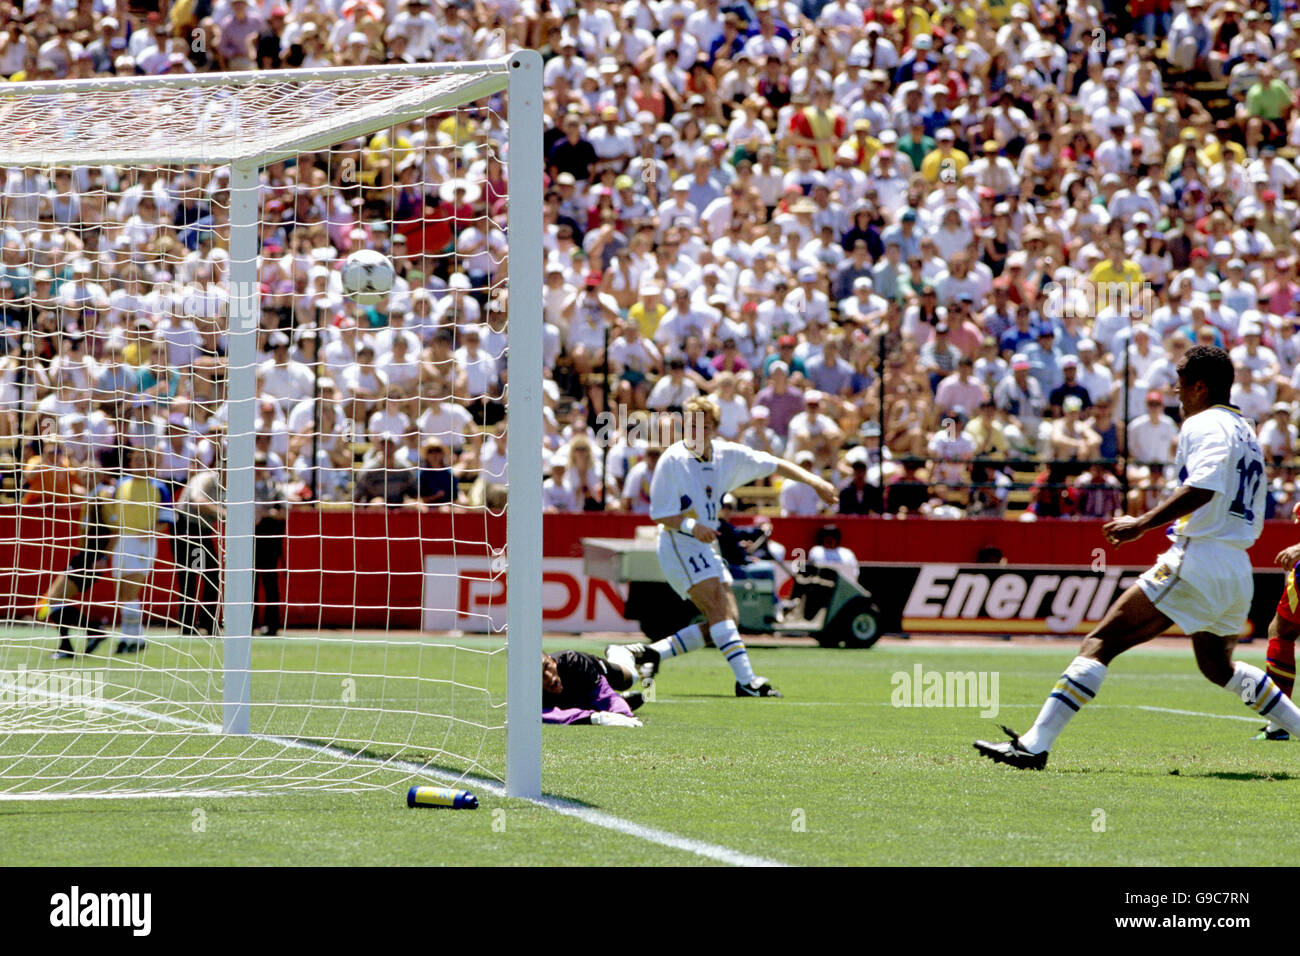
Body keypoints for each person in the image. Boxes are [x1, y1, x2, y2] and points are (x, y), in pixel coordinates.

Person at [975, 346, 1300, 769]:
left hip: (1197, 557)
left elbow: (1204, 485)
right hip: (1237, 567)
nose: (1176, 394)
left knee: (1101, 641)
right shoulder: (1245, 429)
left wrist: (1141, 524)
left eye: (1181, 385)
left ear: (1200, 387)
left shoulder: (1204, 423)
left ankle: (1035, 744)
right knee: (1219, 668)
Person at [625, 395, 837, 697]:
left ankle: (652, 654)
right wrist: (691, 526)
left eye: (707, 426)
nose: (700, 432)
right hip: (679, 544)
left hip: (705, 545)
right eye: (694, 426)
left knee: (727, 621)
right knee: (719, 613)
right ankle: (748, 682)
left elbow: (774, 463)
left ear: (715, 428)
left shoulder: (727, 455)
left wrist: (815, 482)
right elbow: (659, 513)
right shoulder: (673, 459)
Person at [102, 446, 175, 654]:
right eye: (136, 460)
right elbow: (114, 518)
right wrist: (109, 548)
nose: (139, 464)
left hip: (143, 543)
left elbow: (167, 519)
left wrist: (151, 531)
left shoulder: (159, 487)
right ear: (130, 462)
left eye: (144, 460)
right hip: (122, 541)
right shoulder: (121, 485)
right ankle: (135, 636)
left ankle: (130, 638)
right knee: (122, 592)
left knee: (132, 590)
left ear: (151, 464)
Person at [43, 467, 113, 659]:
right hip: (83, 555)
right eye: (84, 474)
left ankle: (86, 635)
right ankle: (87, 634)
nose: (87, 478)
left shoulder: (102, 496)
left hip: (92, 558)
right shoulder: (91, 495)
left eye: (92, 474)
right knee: (53, 599)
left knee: (53, 598)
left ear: (100, 475)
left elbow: (115, 528)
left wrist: (103, 557)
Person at [175, 454, 224, 636]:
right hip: (188, 528)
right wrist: (226, 513)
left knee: (210, 574)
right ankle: (190, 625)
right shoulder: (205, 479)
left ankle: (204, 622)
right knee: (192, 575)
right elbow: (198, 501)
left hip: (202, 531)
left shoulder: (227, 486)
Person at [542, 649, 644, 726]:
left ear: (552, 660)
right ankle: (600, 706)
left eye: (547, 666)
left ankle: (620, 651)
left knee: (630, 678)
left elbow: (606, 695)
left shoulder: (573, 662)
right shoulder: (529, 693)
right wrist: (598, 718)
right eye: (539, 675)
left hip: (595, 672)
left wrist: (623, 713)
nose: (548, 676)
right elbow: (549, 716)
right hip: (573, 701)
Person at [253, 452, 287, 637]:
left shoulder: (275, 487)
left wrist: (265, 514)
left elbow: (284, 512)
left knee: (270, 582)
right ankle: (249, 623)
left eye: (261, 464)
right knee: (249, 582)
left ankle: (272, 624)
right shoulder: (244, 486)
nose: (258, 468)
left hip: (270, 537)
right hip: (251, 538)